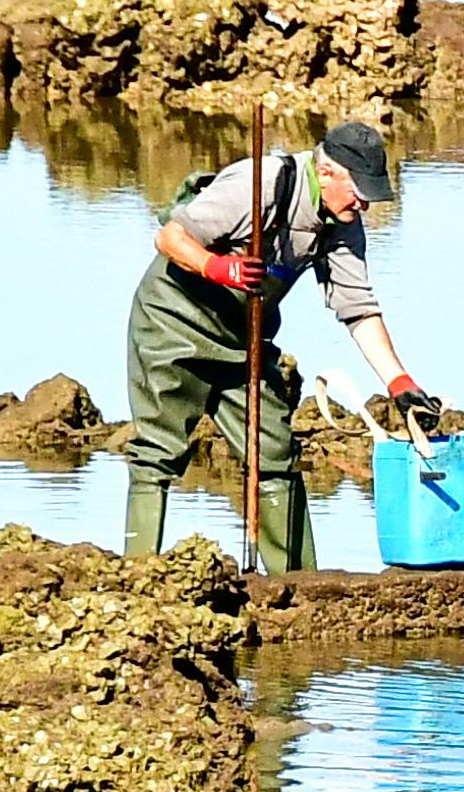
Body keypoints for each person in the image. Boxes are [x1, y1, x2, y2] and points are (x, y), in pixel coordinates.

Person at [125, 121, 431, 566]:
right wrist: (217, 267)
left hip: (243, 337)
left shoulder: (343, 226)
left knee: (275, 451)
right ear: (326, 172)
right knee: (158, 450)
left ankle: (297, 582)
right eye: (358, 189)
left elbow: (359, 309)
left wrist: (399, 383)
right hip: (173, 322)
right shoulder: (264, 183)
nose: (364, 202)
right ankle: (138, 574)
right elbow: (170, 237)